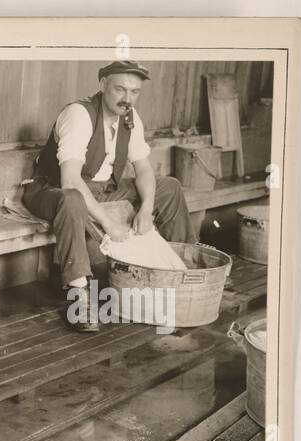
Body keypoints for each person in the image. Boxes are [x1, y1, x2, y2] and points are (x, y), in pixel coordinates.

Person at [22, 60, 196, 332]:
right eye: (120, 89)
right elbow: (70, 181)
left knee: (170, 187)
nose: (127, 99)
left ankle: (184, 270)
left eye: (135, 92)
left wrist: (147, 208)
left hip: (104, 189)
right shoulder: (79, 114)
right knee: (72, 200)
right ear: (103, 85)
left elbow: (144, 170)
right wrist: (108, 223)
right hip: (52, 190)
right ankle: (77, 295)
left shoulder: (131, 118)